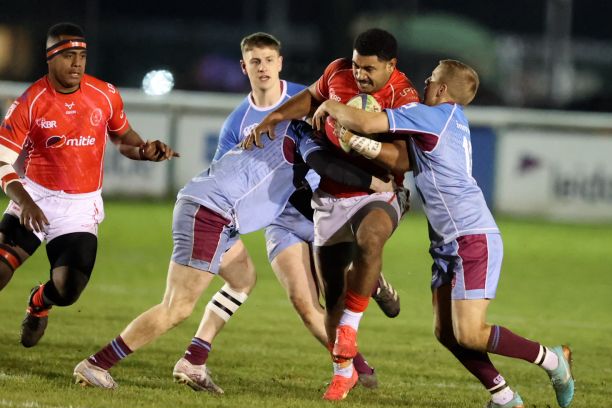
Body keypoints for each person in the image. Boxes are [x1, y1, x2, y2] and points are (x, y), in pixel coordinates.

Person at [311, 59, 575, 408]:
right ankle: (502, 395)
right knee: (446, 333)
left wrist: (330, 105)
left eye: (432, 77)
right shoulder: (449, 120)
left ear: (442, 89)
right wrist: (355, 142)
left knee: (470, 333)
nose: (425, 80)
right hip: (448, 242)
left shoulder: (432, 115)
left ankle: (553, 359)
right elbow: (394, 156)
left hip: (470, 236)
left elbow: (368, 121)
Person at [73, 119, 394, 389]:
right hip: (211, 212)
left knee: (243, 279)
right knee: (177, 307)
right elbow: (324, 165)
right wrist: (373, 183)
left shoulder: (285, 130)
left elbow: (302, 199)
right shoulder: (301, 133)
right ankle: (97, 364)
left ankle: (194, 361)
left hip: (216, 213)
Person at [170, 32, 395, 393]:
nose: (262, 68)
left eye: (268, 60)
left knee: (335, 287)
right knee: (305, 303)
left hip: (320, 205)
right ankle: (354, 365)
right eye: (254, 62)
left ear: (280, 63)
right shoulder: (237, 122)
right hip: (279, 218)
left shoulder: (304, 99)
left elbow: (340, 138)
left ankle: (368, 278)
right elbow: (227, 175)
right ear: (244, 67)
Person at [242, 28, 418, 401]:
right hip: (330, 198)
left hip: (380, 191)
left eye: (369, 69)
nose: (360, 75)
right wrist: (274, 117)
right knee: (333, 292)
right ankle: (342, 373)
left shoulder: (404, 96)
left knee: (370, 238)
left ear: (391, 65)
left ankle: (351, 327)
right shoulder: (338, 72)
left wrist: (356, 140)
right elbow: (310, 97)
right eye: (356, 66)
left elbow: (403, 160)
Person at [0, 22, 177, 348]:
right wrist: (25, 202)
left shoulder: (104, 95)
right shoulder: (30, 102)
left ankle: (39, 302)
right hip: (35, 196)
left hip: (80, 208)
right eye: (69, 55)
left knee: (68, 290)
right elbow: (2, 163)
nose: (77, 63)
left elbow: (123, 138)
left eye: (82, 56)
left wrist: (144, 150)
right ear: (50, 58)